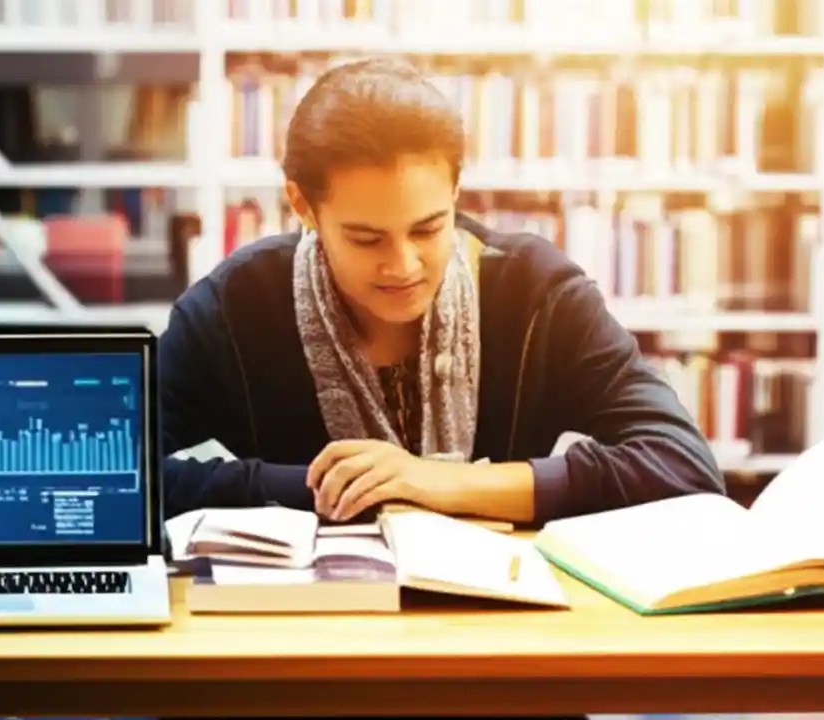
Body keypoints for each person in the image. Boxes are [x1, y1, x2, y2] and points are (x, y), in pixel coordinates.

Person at [159, 57, 725, 527]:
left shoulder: (533, 292)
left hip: (496, 628)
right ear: (303, 206)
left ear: (457, 189)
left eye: (429, 228)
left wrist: (442, 481)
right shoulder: (235, 306)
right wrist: (329, 486)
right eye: (366, 238)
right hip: (307, 631)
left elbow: (682, 465)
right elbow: (104, 479)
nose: (403, 264)